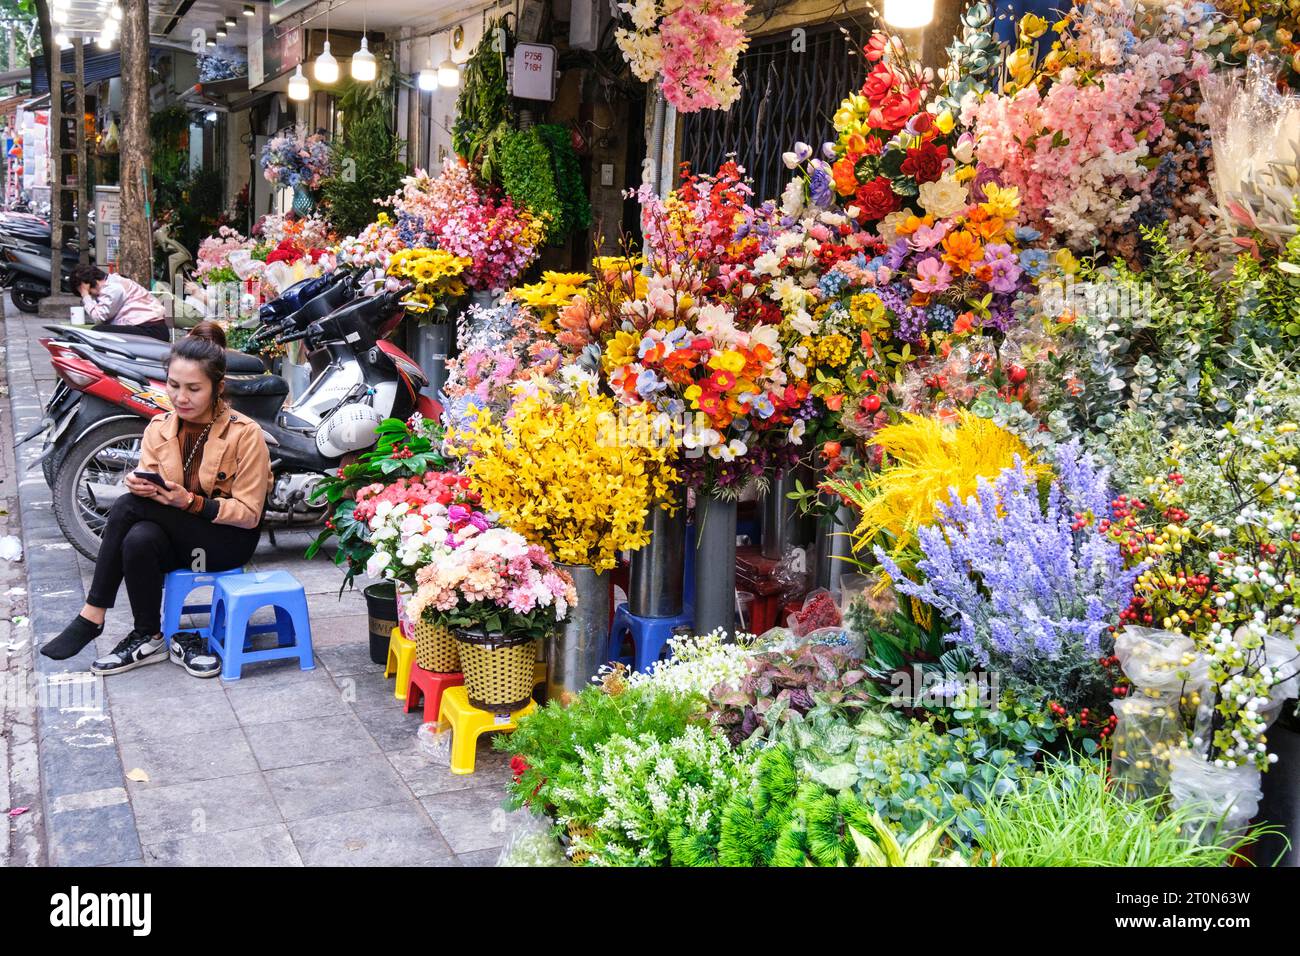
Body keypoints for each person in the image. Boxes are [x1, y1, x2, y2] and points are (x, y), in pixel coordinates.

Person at [41, 322, 273, 677]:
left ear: (217, 388)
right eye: (174, 385)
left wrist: (190, 502)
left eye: (194, 388)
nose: (181, 397)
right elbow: (149, 506)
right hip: (178, 540)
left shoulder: (246, 434)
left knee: (128, 507)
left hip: (226, 542)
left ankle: (93, 613)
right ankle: (147, 636)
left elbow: (249, 514)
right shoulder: (158, 428)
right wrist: (143, 486)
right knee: (139, 534)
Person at [70, 264, 170, 341]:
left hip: (152, 330)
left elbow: (98, 317)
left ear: (91, 283)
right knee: (101, 330)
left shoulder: (113, 288)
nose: (92, 297)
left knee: (98, 331)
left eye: (90, 293)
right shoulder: (112, 283)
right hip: (147, 327)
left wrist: (85, 296)